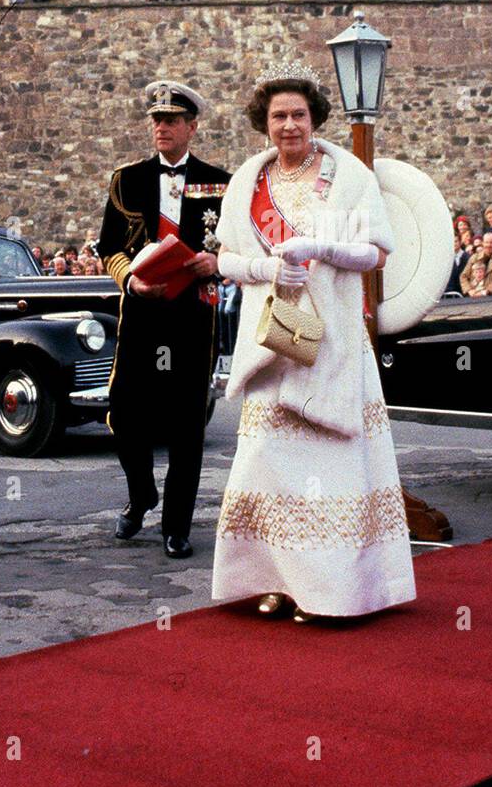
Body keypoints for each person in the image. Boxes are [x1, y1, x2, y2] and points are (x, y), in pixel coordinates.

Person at [211, 65, 415, 621]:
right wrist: (267, 265)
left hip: (333, 340)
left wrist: (318, 249)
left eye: (298, 114)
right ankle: (272, 582)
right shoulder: (248, 181)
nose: (289, 125)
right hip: (274, 340)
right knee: (267, 464)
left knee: (332, 467)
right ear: (264, 123)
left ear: (314, 117)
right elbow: (225, 259)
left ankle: (337, 592)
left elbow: (375, 251)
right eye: (278, 116)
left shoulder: (349, 175)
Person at [98, 80, 229, 560]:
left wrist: (218, 263)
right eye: (156, 120)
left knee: (186, 425)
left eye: (172, 120)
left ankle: (177, 526)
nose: (162, 128)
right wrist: (130, 280)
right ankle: (141, 496)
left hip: (193, 316)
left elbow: (237, 244)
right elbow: (108, 246)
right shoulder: (126, 179)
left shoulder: (222, 181)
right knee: (124, 415)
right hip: (142, 313)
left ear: (192, 127)